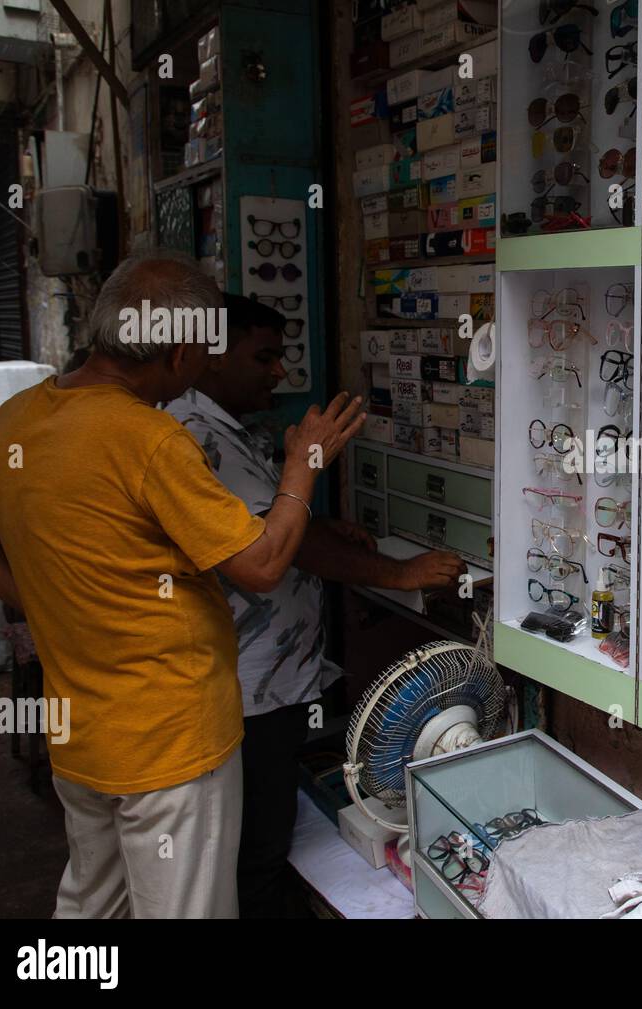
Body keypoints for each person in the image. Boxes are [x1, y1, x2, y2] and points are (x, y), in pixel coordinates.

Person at [0, 252, 364, 918]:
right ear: (180, 353)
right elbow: (263, 564)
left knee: (95, 904)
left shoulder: (19, 420)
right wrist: (304, 463)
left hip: (84, 735)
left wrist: (29, 592)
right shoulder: (149, 440)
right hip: (172, 744)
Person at [166, 293, 466, 917]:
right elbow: (275, 551)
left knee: (267, 823)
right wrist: (396, 572)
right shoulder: (194, 434)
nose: (279, 372)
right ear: (213, 355)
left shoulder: (228, 426)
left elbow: (281, 514)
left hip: (272, 681)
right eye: (265, 356)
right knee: (257, 844)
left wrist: (325, 525)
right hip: (246, 688)